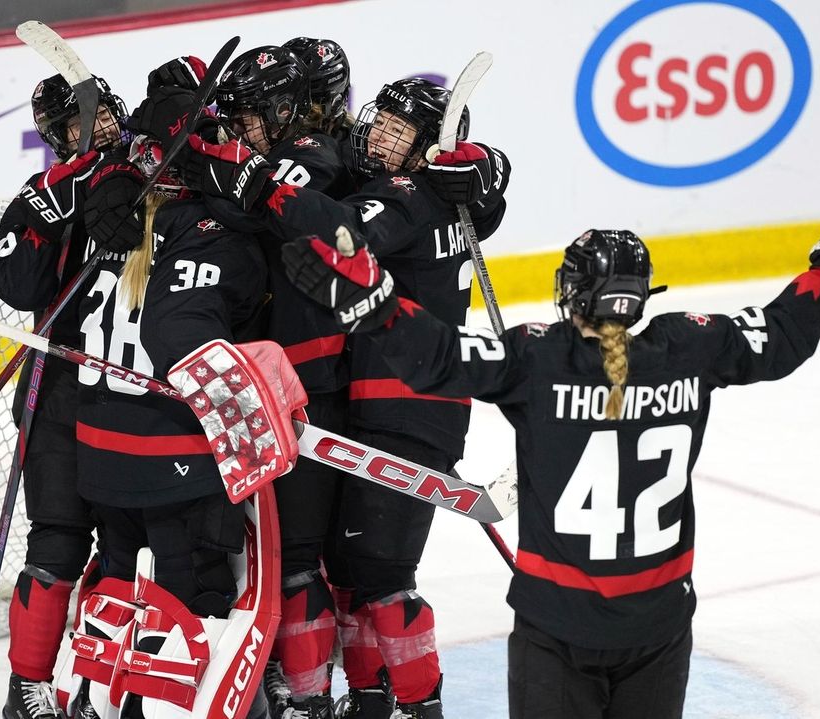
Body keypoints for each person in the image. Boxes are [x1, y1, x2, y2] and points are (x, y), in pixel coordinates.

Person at [279, 199, 820, 718]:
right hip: (659, 625)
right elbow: (781, 338)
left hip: (558, 628)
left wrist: (372, 300)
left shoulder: (539, 360)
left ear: (571, 291)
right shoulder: (690, 347)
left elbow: (435, 357)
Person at [187, 77, 512, 718]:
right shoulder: (448, 192)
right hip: (407, 404)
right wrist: (488, 167)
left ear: (430, 148)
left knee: (381, 575)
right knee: (360, 569)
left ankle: (413, 707)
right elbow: (480, 191)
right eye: (382, 122)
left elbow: (345, 235)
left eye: (401, 130)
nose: (383, 136)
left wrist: (260, 184)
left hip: (403, 405)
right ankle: (367, 701)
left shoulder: (408, 192)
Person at [55, 75, 275, 719]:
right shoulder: (215, 233)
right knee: (192, 599)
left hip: (98, 453)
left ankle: (99, 699)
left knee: (120, 584)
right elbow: (223, 314)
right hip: (174, 452)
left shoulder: (106, 222)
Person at [199, 44, 357, 719]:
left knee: (292, 553)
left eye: (250, 114)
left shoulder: (316, 156)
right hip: (265, 378)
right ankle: (291, 677)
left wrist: (197, 157)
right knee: (266, 547)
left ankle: (306, 691)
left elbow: (246, 206)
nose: (242, 127)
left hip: (306, 384)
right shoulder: (292, 149)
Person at [0, 71, 139, 719]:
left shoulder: (152, 174)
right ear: (56, 139)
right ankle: (27, 689)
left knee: (125, 546)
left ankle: (95, 685)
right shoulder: (41, 195)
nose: (99, 128)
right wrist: (61, 202)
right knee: (57, 539)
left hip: (134, 385)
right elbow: (17, 286)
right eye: (81, 123)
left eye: (105, 113)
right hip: (59, 388)